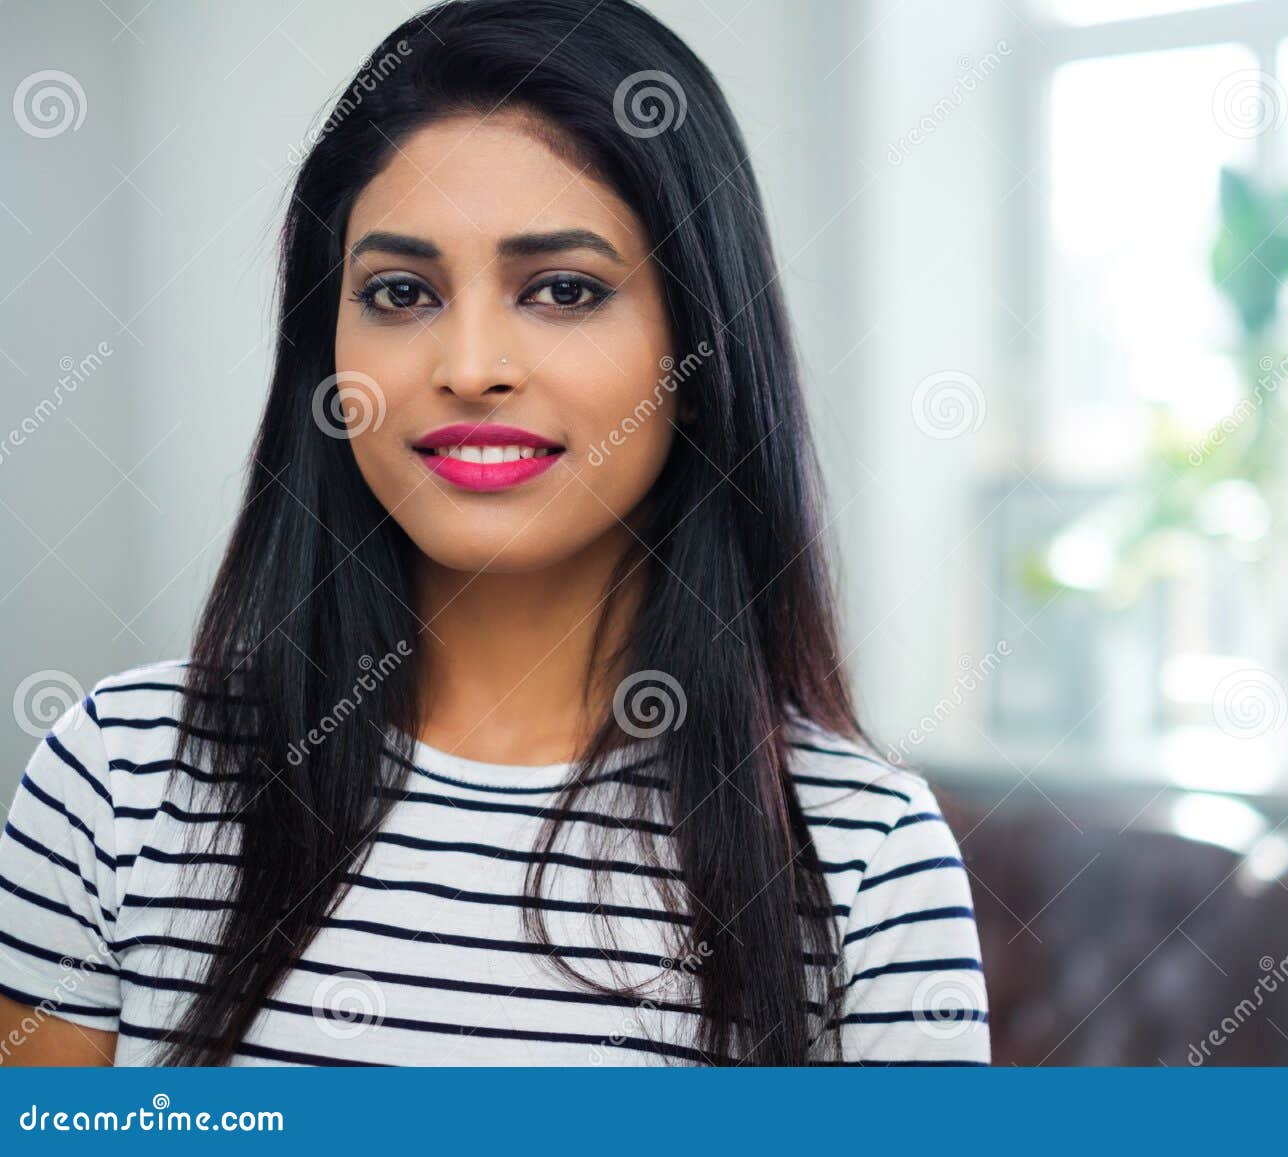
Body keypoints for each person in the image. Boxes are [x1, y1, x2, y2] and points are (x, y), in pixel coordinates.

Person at [0, 0, 988, 1066]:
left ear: (698, 355)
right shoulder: (122, 774)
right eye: (400, 292)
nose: (469, 365)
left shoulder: (865, 858)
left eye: (563, 289)